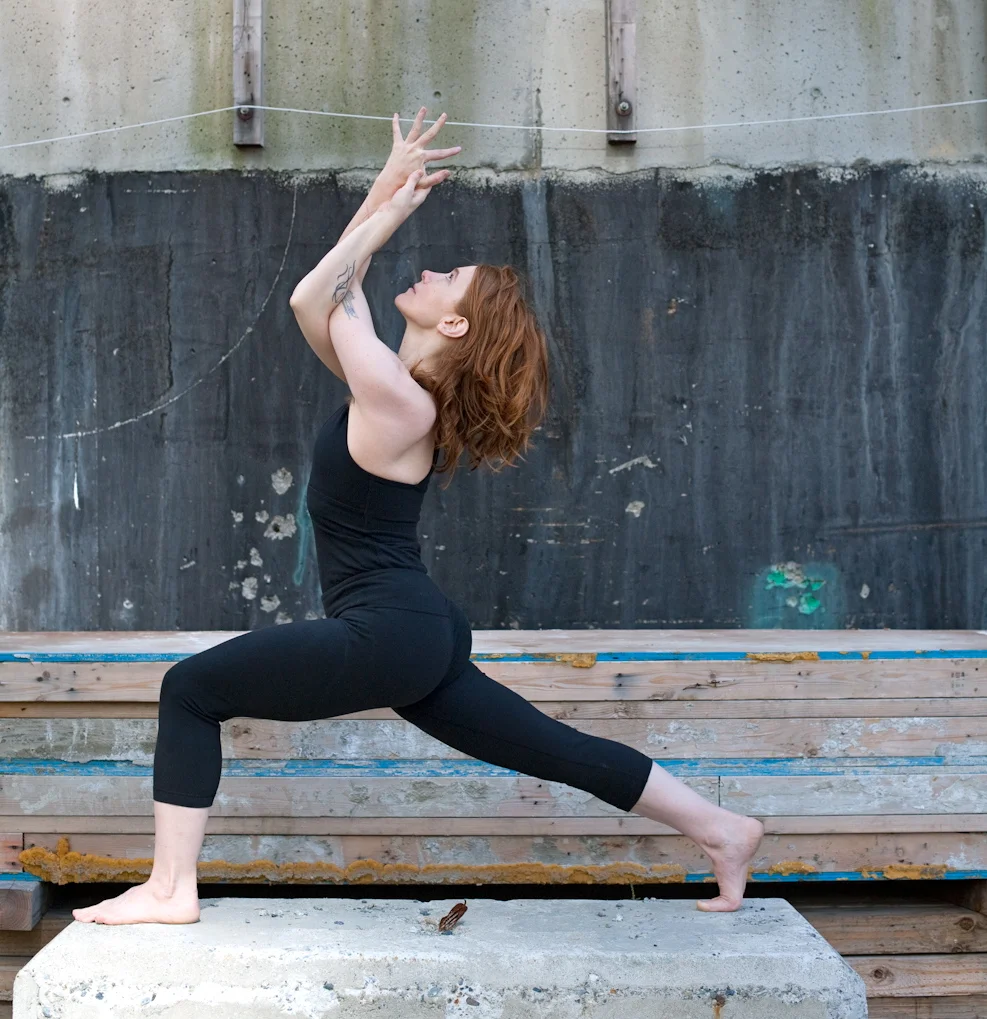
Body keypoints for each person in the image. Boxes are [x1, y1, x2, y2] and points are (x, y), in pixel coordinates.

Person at [72, 107, 763, 926]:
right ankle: (722, 828)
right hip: (415, 628)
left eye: (446, 280)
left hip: (389, 632)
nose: (428, 274)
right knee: (549, 746)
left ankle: (169, 890)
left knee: (190, 689)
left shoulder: (400, 403)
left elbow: (318, 291)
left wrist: (392, 208)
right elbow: (322, 299)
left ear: (454, 324)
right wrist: (384, 185)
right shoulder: (392, 388)